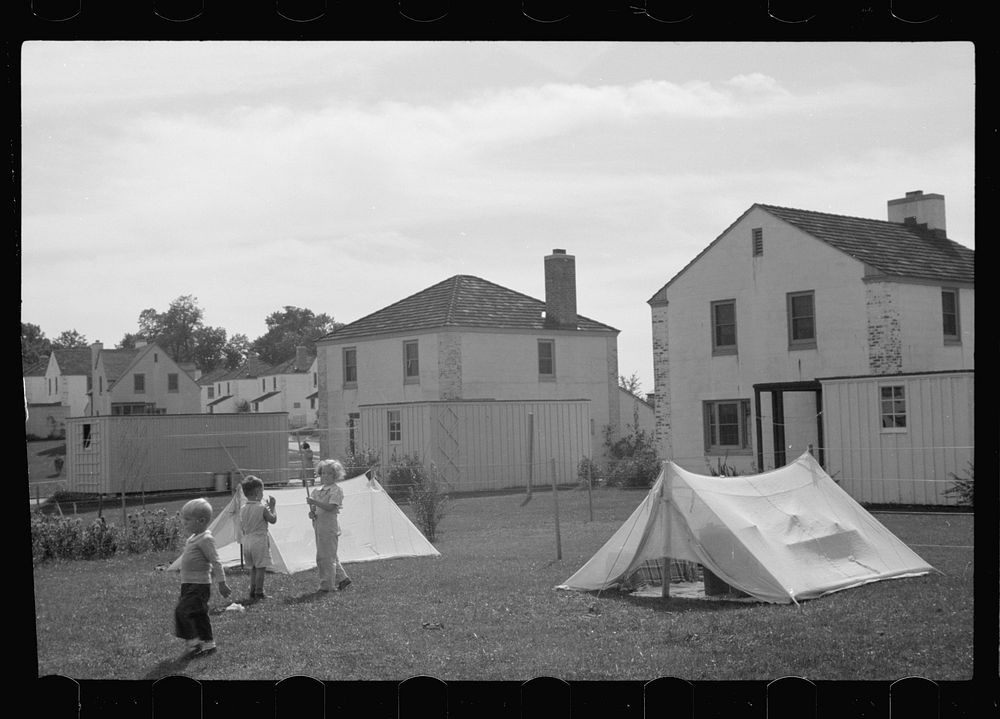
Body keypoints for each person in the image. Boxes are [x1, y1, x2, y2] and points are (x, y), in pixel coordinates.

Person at [174, 498, 231, 657]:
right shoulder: (192, 538)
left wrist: (222, 582)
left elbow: (216, 561)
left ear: (201, 521)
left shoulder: (206, 539)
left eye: (187, 519)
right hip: (188, 584)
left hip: (199, 586)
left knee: (182, 611)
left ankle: (194, 641)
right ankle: (208, 644)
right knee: (199, 614)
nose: (184, 522)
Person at [306, 459, 352, 592]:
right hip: (318, 526)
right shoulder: (316, 491)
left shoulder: (336, 490)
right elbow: (315, 509)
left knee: (324, 556)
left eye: (329, 473)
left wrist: (315, 502)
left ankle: (327, 585)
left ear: (335, 475)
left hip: (329, 526)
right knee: (329, 554)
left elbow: (331, 507)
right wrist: (312, 513)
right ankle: (342, 579)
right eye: (323, 473)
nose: (325, 476)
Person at [239, 476, 277, 601]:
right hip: (259, 540)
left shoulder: (243, 509)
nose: (262, 494)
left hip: (247, 541)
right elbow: (273, 520)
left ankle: (252, 590)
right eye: (262, 491)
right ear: (257, 493)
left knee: (253, 568)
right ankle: (259, 592)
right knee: (261, 568)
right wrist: (273, 507)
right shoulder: (261, 508)